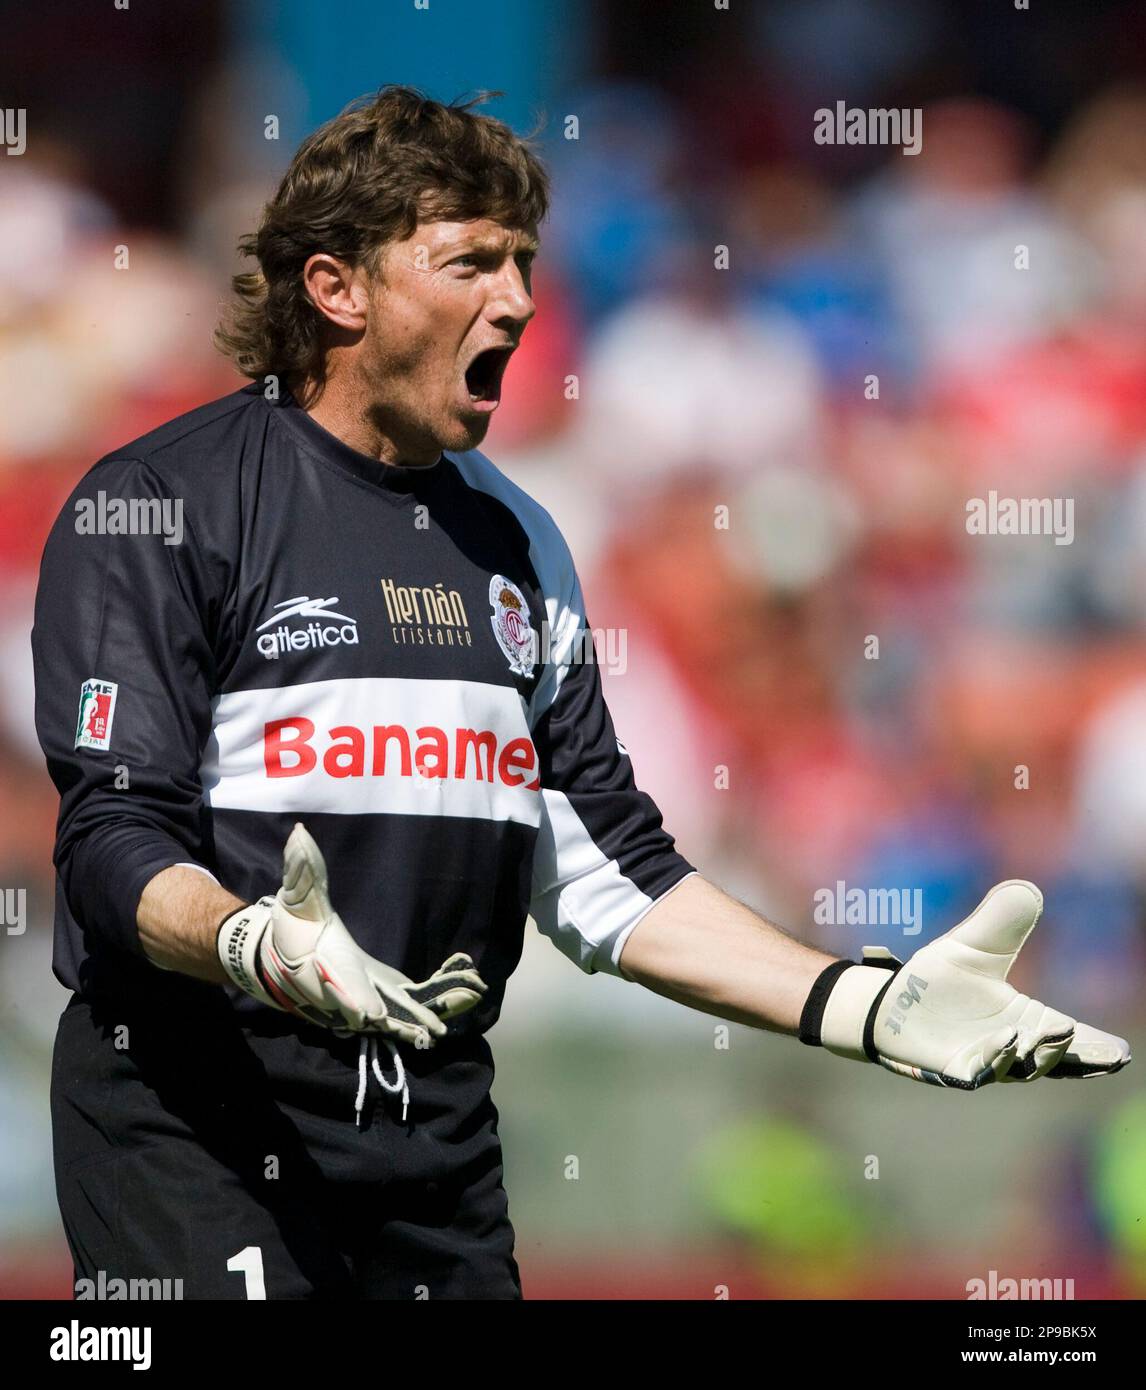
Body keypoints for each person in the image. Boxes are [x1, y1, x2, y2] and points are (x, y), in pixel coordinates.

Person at [32, 86, 1130, 1302]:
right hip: (198, 1133)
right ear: (336, 289)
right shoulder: (162, 505)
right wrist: (250, 941)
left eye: (521, 263)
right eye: (469, 263)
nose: (516, 298)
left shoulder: (521, 540)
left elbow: (609, 869)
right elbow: (111, 838)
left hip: (428, 1151)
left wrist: (861, 1005)